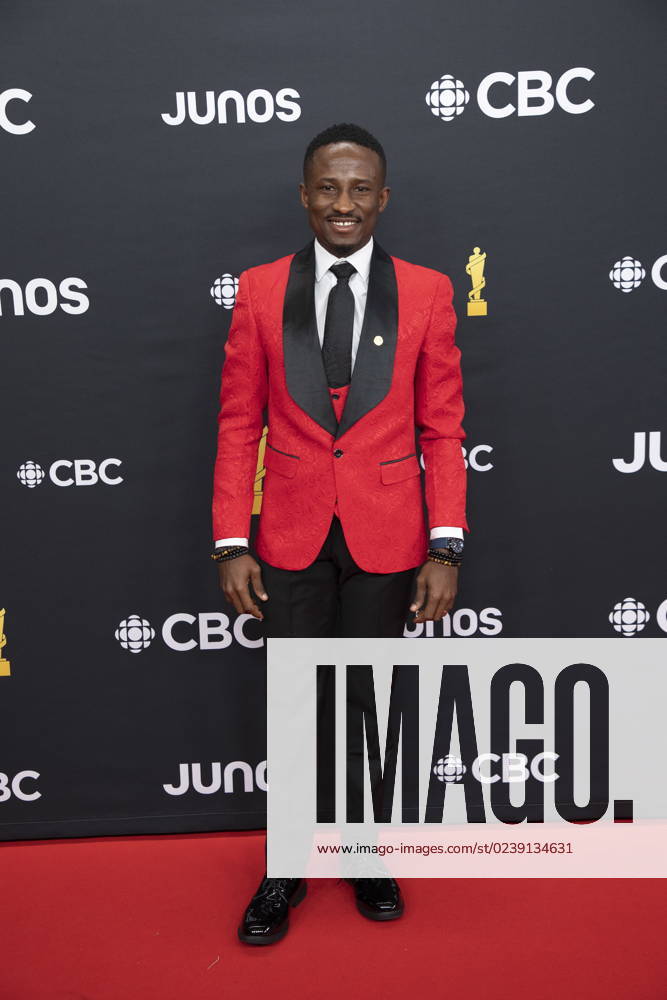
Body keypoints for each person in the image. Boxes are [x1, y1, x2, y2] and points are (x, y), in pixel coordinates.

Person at [211, 122, 468, 945]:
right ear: (304, 196)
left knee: (365, 703)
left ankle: (362, 850)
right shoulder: (258, 289)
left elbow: (442, 429)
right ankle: (284, 866)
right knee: (292, 704)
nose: (343, 204)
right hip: (285, 531)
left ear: (382, 198)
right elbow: (236, 423)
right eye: (328, 188)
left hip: (387, 536)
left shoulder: (427, 291)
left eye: (359, 189)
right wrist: (229, 540)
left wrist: (446, 544)